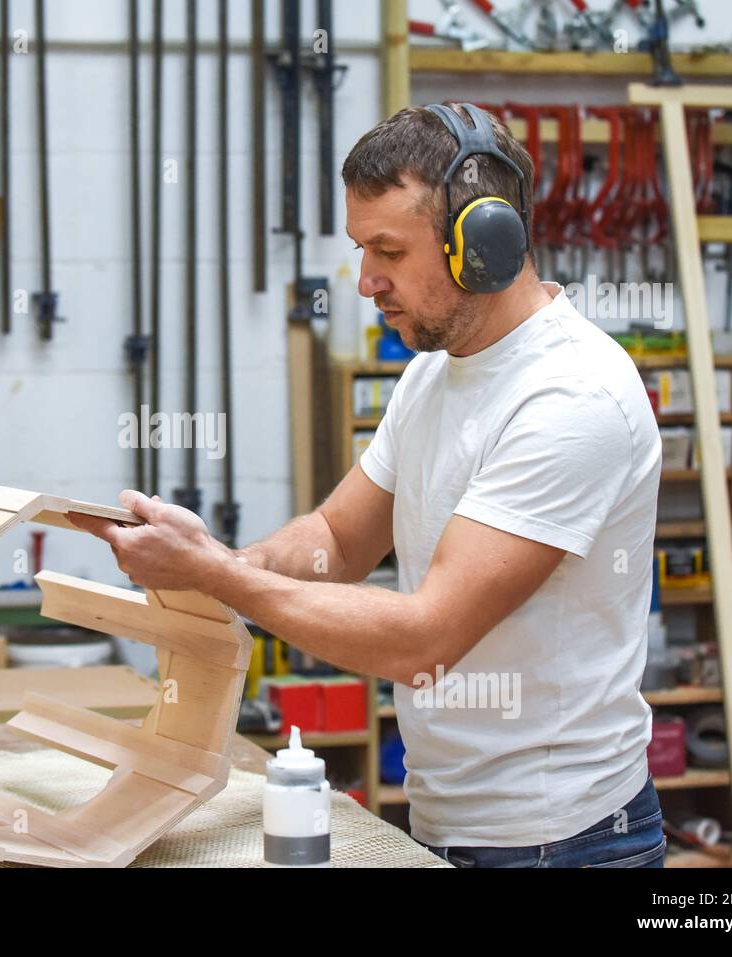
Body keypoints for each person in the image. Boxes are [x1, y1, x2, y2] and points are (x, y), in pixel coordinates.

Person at [69, 103, 664, 868]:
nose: (365, 280)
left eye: (387, 250)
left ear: (484, 244)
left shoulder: (572, 396)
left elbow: (427, 638)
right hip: (451, 818)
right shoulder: (431, 377)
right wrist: (218, 560)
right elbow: (339, 540)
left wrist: (215, 578)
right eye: (361, 249)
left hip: (562, 842)